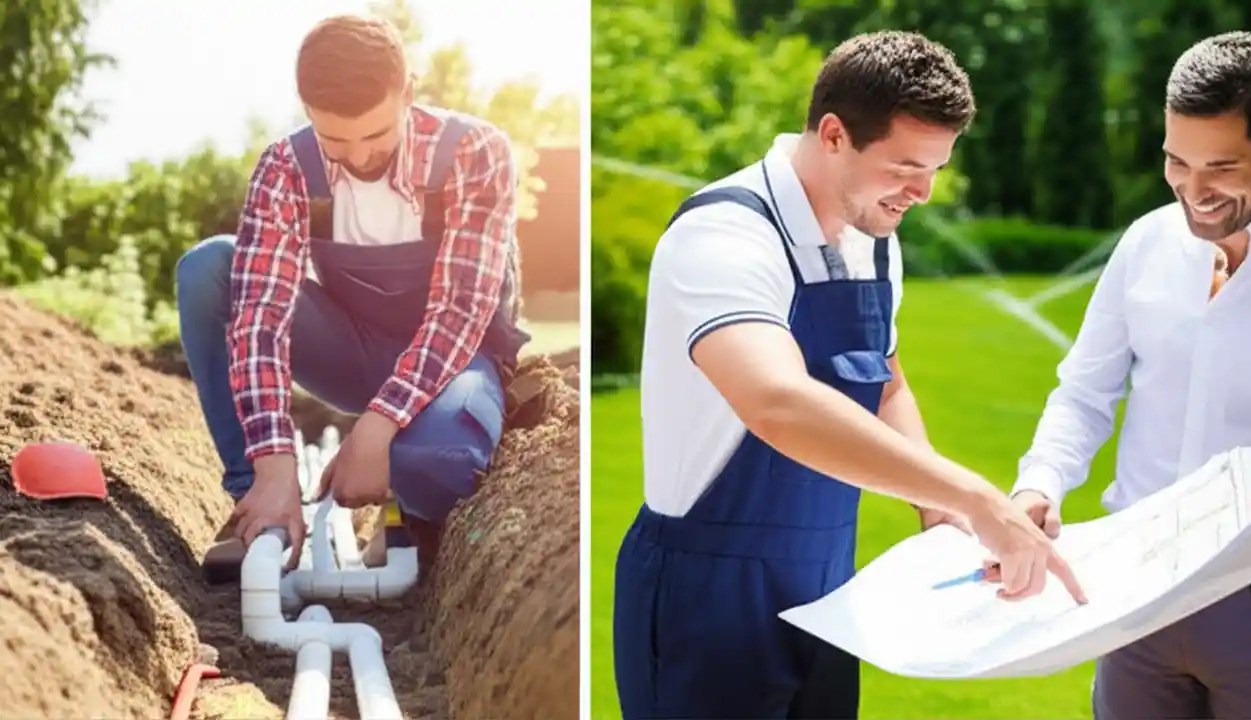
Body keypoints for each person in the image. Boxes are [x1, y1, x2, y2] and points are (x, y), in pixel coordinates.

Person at [611, 30, 1087, 719]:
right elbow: (776, 401)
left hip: (831, 586)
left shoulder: (873, 240)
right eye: (904, 168)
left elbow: (883, 381)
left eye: (936, 169)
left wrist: (941, 513)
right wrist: (979, 497)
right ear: (833, 134)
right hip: (706, 596)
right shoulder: (723, 236)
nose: (922, 193)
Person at [175, 14, 527, 571]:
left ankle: (411, 514)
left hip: (456, 363)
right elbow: (261, 319)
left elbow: (461, 310)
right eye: (335, 139)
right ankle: (258, 506)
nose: (360, 157)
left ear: (407, 92)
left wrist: (379, 425)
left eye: (377, 135)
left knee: (443, 459)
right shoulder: (285, 167)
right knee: (209, 268)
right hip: (351, 348)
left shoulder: (473, 152)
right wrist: (273, 464)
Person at [1004, 31, 1251, 720]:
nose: (1194, 191)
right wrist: (1040, 482)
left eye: (1220, 167)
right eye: (1175, 162)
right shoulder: (1146, 243)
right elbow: (1086, 391)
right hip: (1136, 599)